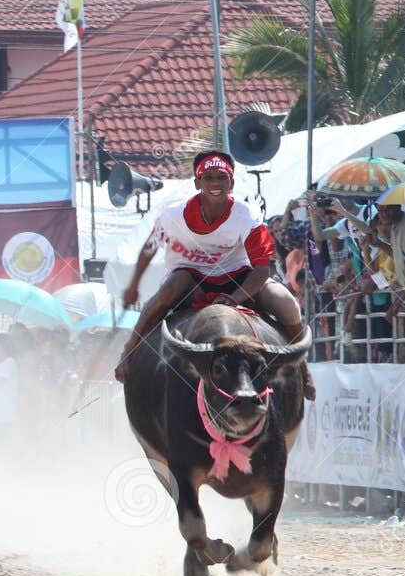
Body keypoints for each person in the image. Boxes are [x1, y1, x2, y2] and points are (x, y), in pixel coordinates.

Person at [116, 150, 313, 398]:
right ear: (198, 183)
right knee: (168, 290)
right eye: (208, 178)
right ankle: (129, 353)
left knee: (286, 302)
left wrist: (236, 298)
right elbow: (150, 247)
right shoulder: (172, 213)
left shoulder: (247, 215)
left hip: (238, 278)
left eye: (221, 178)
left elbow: (262, 270)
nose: (215, 184)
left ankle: (304, 371)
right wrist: (134, 285)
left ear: (230, 182)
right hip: (190, 278)